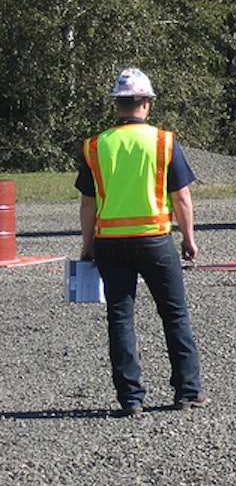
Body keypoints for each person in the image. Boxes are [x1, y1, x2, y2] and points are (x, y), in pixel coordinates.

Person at [77, 67, 208, 417]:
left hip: (110, 242)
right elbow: (181, 197)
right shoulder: (164, 142)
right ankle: (187, 391)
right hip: (155, 240)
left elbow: (88, 203)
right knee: (174, 313)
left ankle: (130, 398)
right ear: (146, 103)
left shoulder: (95, 146)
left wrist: (88, 245)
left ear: (116, 104)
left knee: (120, 317)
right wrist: (189, 238)